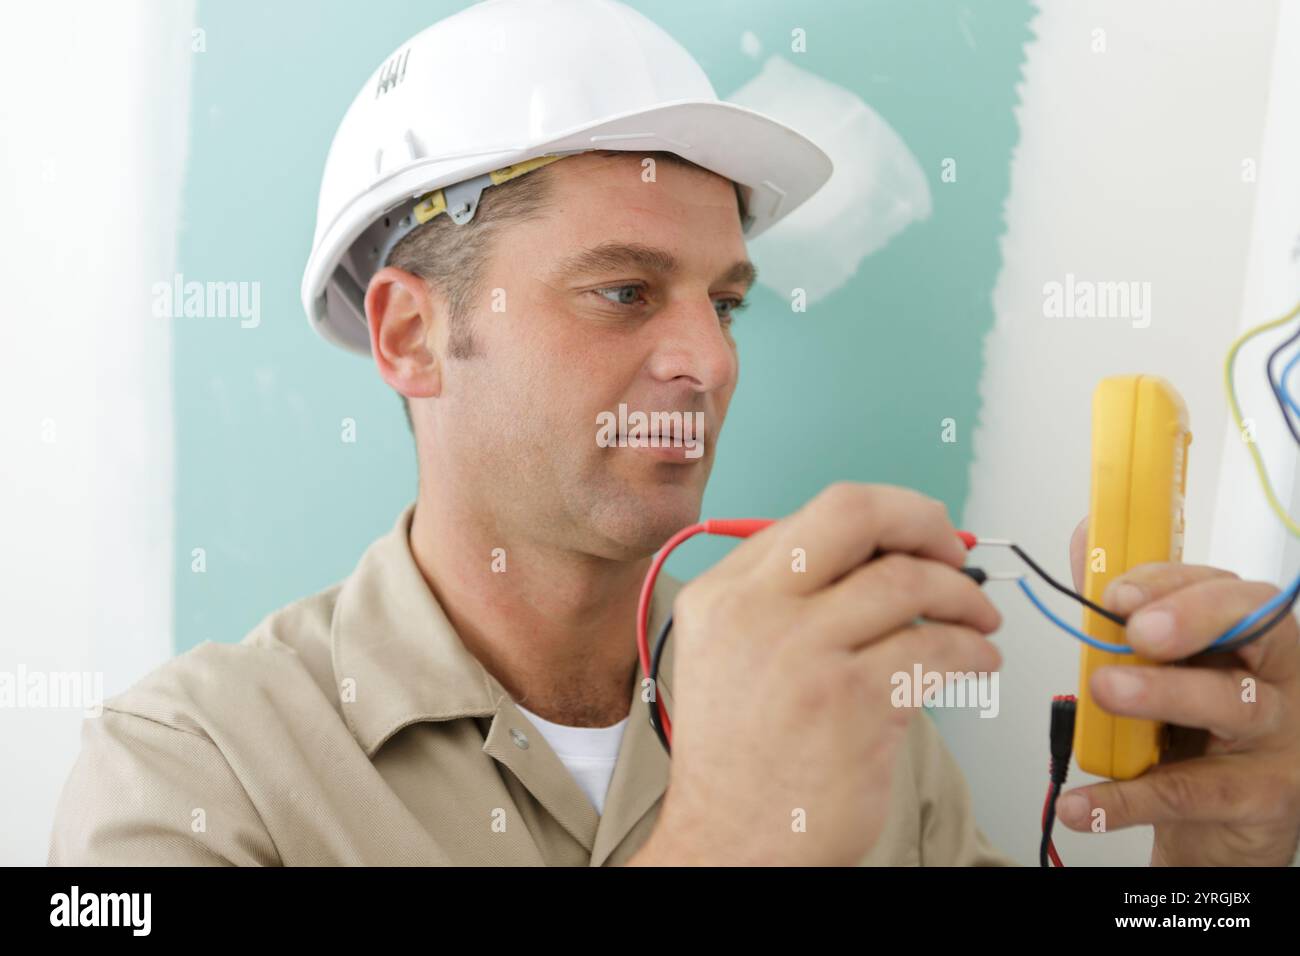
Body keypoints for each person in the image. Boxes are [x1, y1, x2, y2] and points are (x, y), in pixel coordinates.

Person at [49, 0, 1300, 867]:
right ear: (409, 336)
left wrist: (1215, 869)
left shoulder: (858, 709)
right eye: (623, 290)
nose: (709, 358)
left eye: (727, 299)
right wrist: (725, 834)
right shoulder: (189, 771)